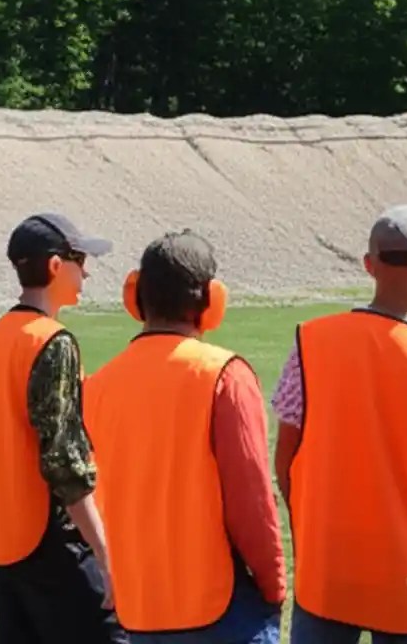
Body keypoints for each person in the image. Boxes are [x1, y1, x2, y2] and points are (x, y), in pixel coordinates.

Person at [272, 205, 407, 644]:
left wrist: (309, 524)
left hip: (327, 568)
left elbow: (285, 459)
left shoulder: (312, 342)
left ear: (369, 264)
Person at [83, 230, 286, 644]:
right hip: (219, 607)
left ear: (136, 297)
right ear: (211, 301)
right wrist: (274, 583)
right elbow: (251, 503)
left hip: (140, 608)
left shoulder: (99, 385)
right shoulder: (224, 376)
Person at [0, 213, 126, 643]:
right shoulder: (52, 342)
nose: (86, 270)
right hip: (50, 539)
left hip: (5, 539)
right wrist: (105, 551)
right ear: (55, 266)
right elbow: (64, 460)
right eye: (79, 258)